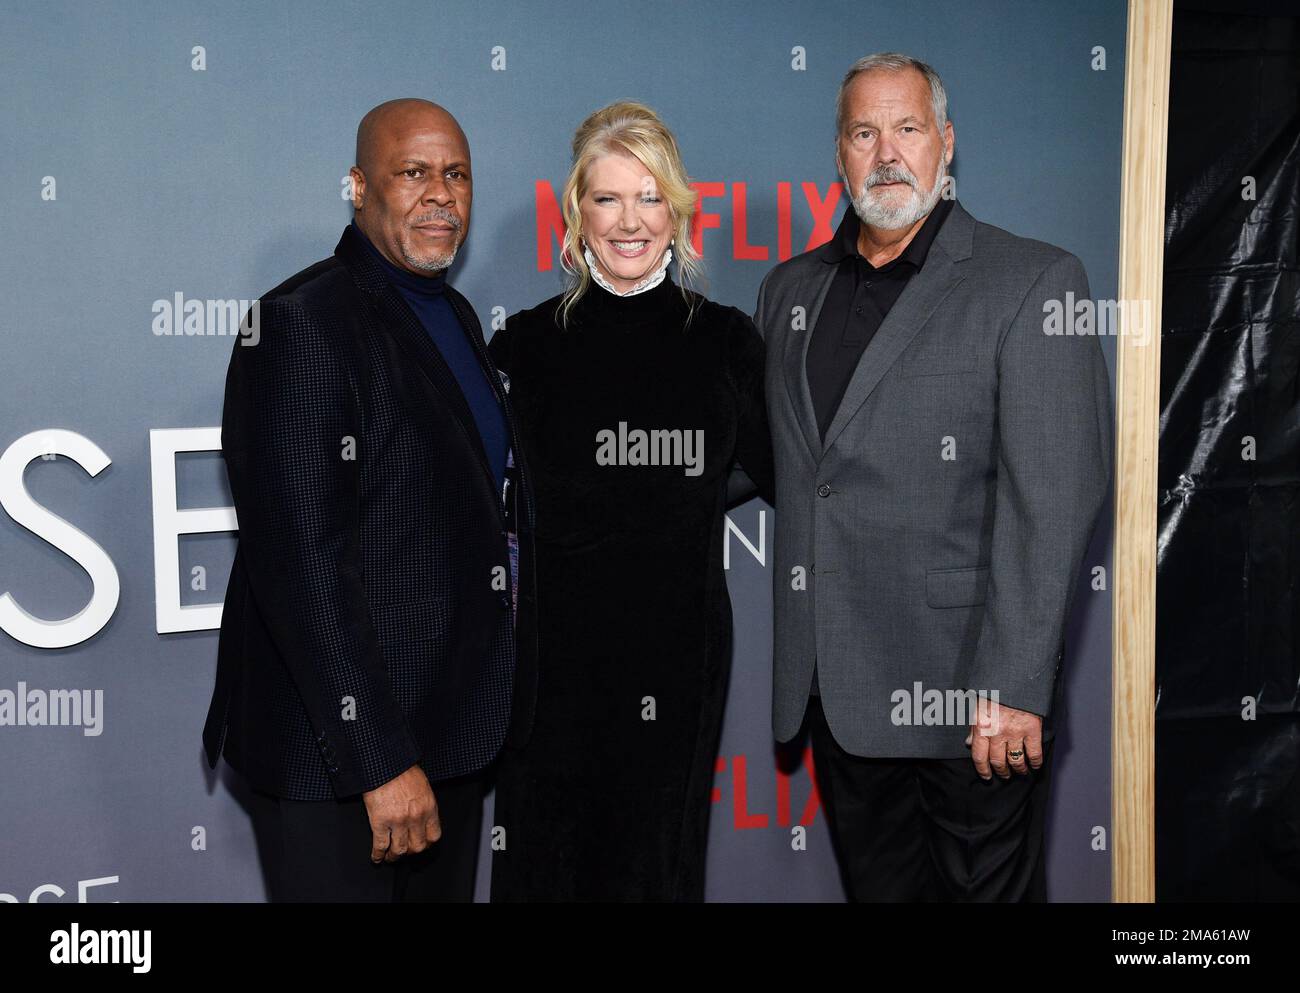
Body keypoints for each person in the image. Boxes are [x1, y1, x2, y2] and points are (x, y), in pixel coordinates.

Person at [756, 53, 1112, 901]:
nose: (887, 152)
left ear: (946, 144)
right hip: (837, 695)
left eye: (908, 128)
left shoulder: (1033, 281)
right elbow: (783, 464)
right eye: (864, 132)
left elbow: (1054, 499)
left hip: (970, 706)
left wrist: (1017, 687)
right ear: (838, 153)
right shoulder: (786, 292)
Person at [201, 98, 537, 902]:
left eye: (456, 175)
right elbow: (300, 563)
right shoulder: (298, 324)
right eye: (413, 172)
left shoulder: (451, 313)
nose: (441, 195)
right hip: (342, 757)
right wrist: (380, 758)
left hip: (449, 739)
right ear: (358, 186)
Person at [487, 101, 774, 902]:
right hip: (553, 661)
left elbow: (778, 465)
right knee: (546, 866)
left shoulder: (723, 340)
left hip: (675, 654)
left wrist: (679, 499)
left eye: (650, 197)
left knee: (656, 868)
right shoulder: (527, 345)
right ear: (576, 211)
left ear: (679, 212)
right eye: (608, 198)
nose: (629, 220)